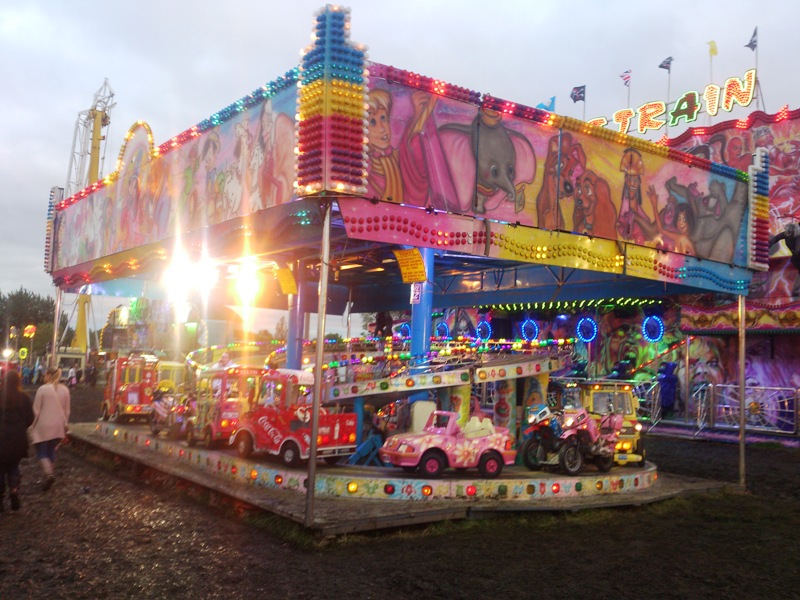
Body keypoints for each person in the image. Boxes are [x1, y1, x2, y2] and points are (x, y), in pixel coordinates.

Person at [29, 366, 71, 492]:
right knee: (51, 450)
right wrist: (65, 424)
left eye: (45, 375)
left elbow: (36, 410)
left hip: (43, 425)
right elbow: (67, 410)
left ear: (48, 375)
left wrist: (32, 425)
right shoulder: (65, 390)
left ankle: (49, 475)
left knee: (42, 451)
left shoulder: (43, 389)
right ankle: (49, 474)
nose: (43, 377)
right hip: (58, 426)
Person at [0, 370, 34, 511]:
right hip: (18, 438)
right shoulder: (24, 398)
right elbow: (30, 418)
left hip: (1, 438)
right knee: (14, 466)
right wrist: (21, 426)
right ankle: (14, 491)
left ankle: (0, 498)